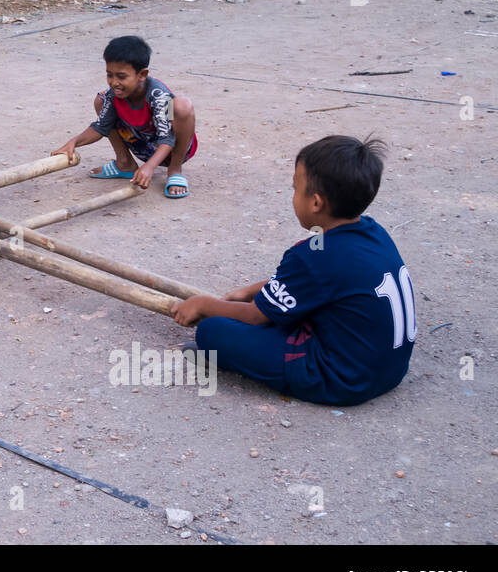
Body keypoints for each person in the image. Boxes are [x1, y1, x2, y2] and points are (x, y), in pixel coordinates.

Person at [173, 135, 415, 406]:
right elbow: (318, 282)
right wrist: (248, 291)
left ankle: (229, 352)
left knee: (212, 331)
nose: (292, 196)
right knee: (275, 313)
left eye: (295, 188)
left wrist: (204, 305)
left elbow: (255, 317)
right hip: (389, 370)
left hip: (345, 379)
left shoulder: (313, 256)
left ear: (315, 203)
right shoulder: (373, 231)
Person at [51, 35, 197, 198]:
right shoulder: (112, 95)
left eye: (121, 76)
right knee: (101, 99)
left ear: (142, 74)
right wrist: (74, 142)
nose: (114, 82)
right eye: (109, 75)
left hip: (172, 148)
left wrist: (149, 167)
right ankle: (125, 164)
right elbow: (100, 127)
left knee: (182, 105)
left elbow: (167, 138)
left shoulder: (160, 96)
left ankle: (175, 171)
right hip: (143, 145)